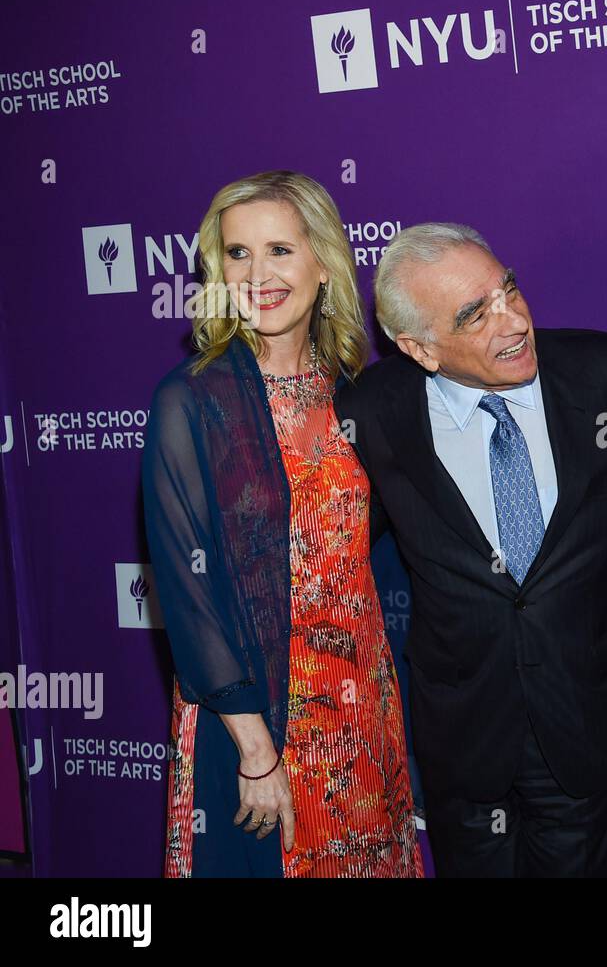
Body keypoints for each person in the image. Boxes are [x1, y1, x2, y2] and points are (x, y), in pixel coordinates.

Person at [334, 224, 607, 877]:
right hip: (464, 740)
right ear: (417, 347)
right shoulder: (372, 413)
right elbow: (333, 544)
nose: (513, 321)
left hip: (584, 724)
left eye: (508, 290)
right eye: (475, 315)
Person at [143, 170, 423, 877]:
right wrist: (256, 750)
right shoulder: (193, 400)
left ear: (323, 263)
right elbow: (185, 591)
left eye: (279, 251)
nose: (257, 274)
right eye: (237, 254)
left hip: (360, 717)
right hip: (255, 715)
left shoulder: (356, 394)